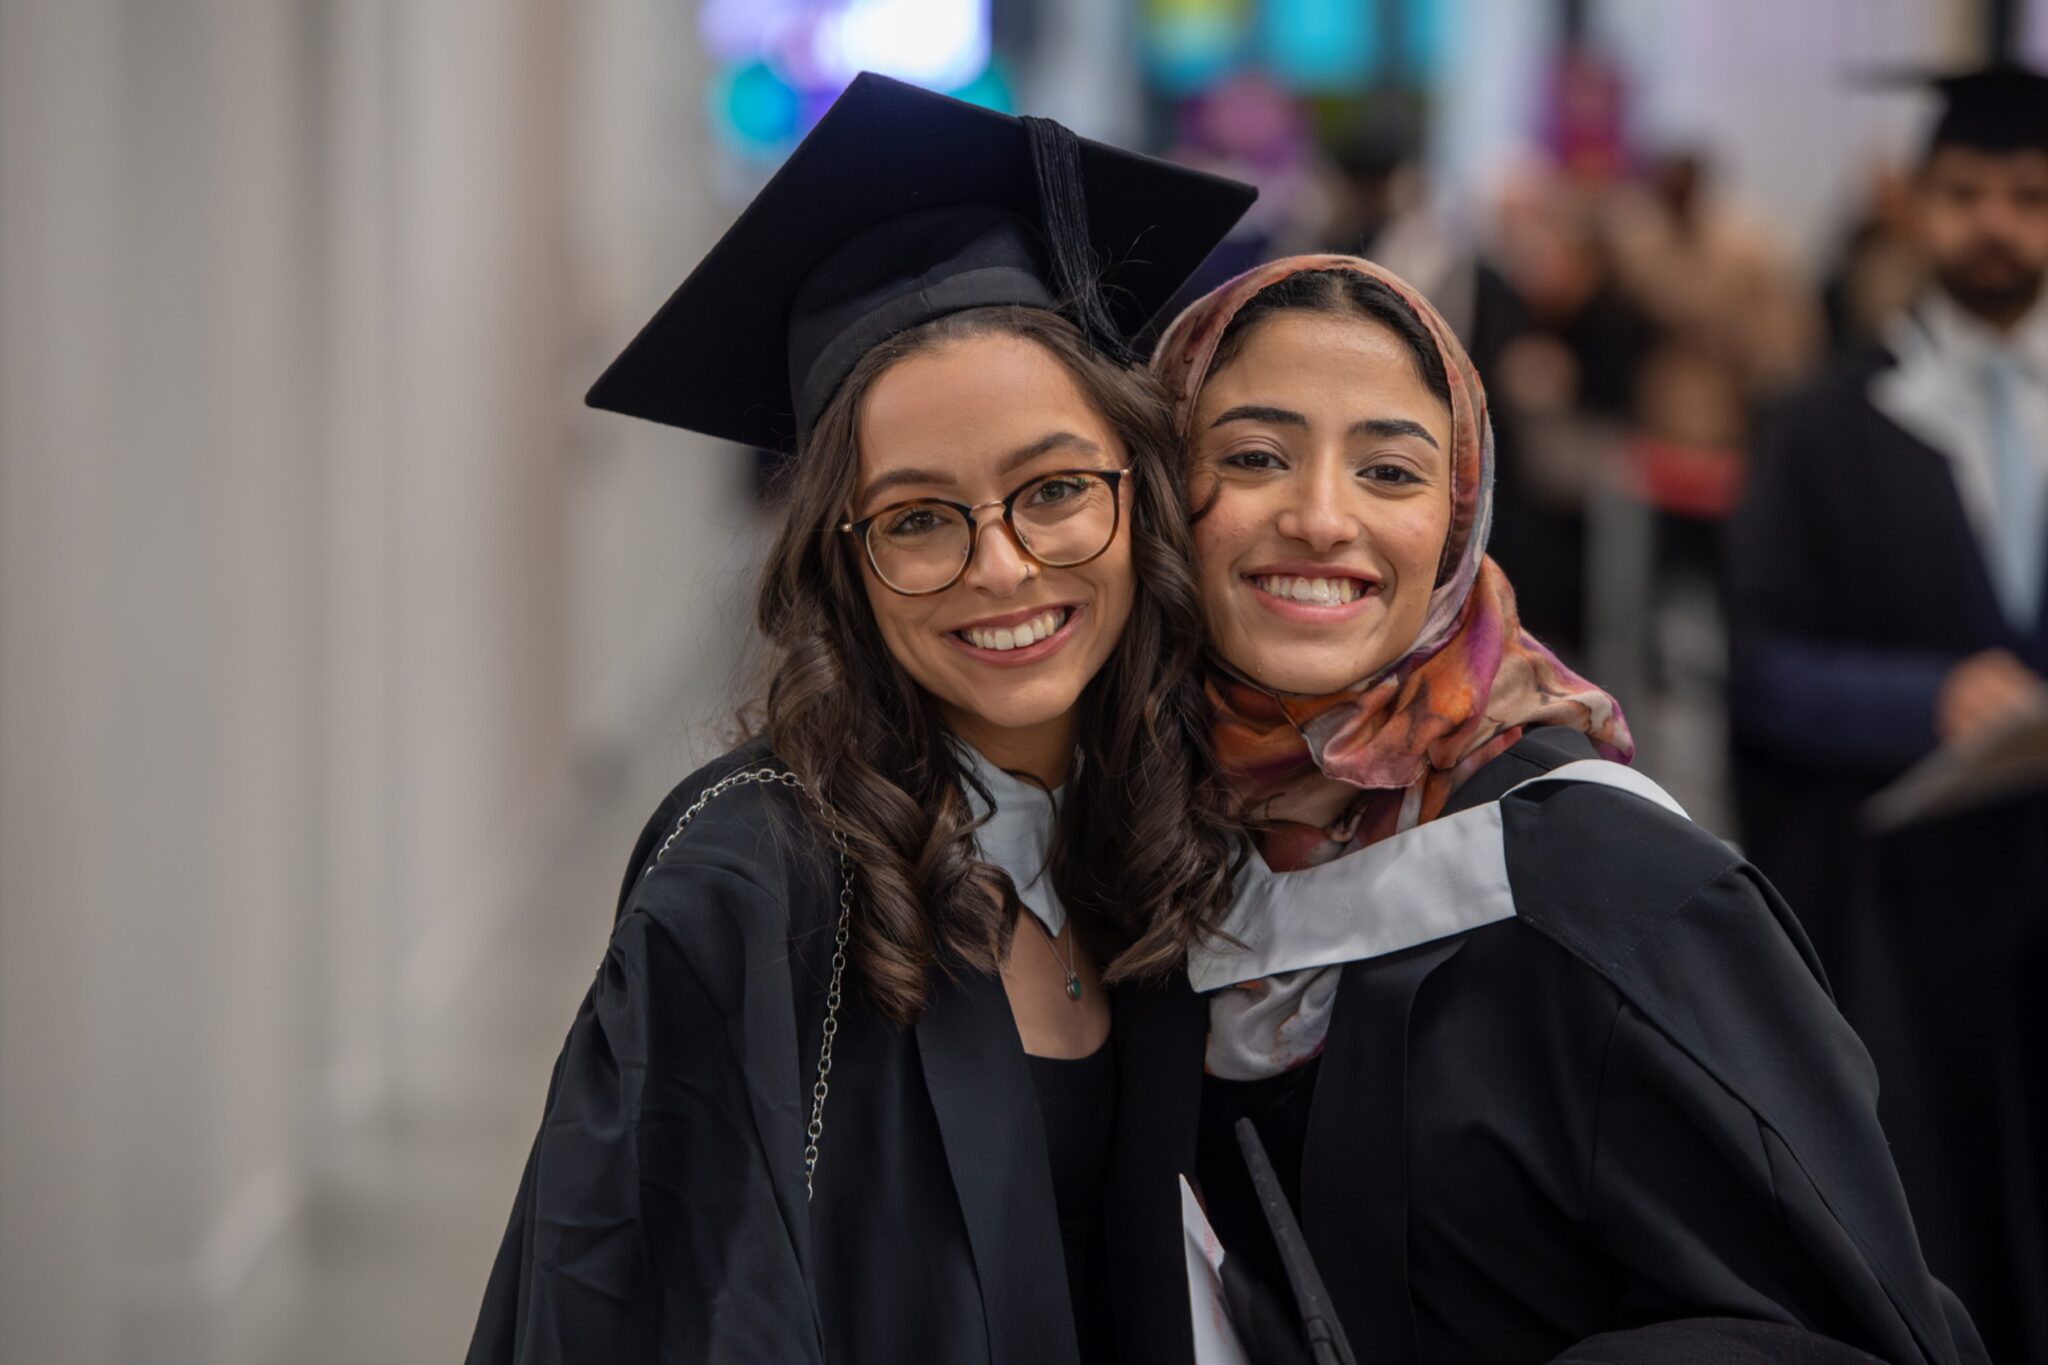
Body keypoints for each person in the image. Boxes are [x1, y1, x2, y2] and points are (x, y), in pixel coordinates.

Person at [463, 75, 1251, 1364]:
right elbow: (618, 1312)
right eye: (919, 517)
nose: (1000, 567)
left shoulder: (1174, 824)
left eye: (1052, 489)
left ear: (1137, 490)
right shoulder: (745, 886)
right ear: (840, 560)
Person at [1147, 255, 1986, 1364]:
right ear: (1157, 489)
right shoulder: (1146, 850)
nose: (1318, 517)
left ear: (1455, 517)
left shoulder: (1615, 887)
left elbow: (1847, 1331)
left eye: (1390, 473)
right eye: (1253, 457)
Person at [1727, 65, 2048, 1364]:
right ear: (1913, 206)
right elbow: (1757, 665)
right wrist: (1925, 698)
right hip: (1905, 920)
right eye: (1966, 194)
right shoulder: (1823, 426)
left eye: (2031, 198)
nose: (1997, 227)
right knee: (1943, 1219)